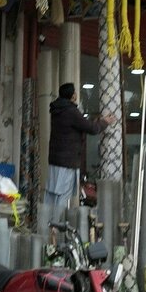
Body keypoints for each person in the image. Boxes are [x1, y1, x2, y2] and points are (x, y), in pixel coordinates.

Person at [44, 83, 113, 219]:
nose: (76, 94)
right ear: (72, 95)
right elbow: (91, 128)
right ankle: (55, 226)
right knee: (62, 195)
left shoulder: (57, 110)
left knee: (52, 193)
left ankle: (46, 223)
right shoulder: (71, 111)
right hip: (67, 161)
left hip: (55, 160)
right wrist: (105, 122)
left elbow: (80, 125)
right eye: (75, 92)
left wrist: (95, 121)